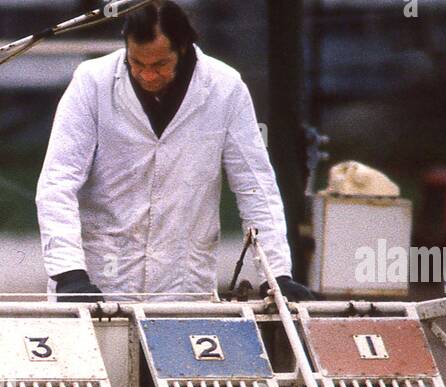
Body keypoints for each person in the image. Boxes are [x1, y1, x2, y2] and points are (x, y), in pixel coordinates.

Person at [36, 0, 314, 302]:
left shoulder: (225, 87)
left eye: (159, 65)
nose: (147, 75)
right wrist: (69, 274)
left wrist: (277, 276)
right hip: (99, 281)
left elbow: (255, 186)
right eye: (137, 63)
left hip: (184, 285)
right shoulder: (92, 81)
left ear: (183, 48)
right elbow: (57, 183)